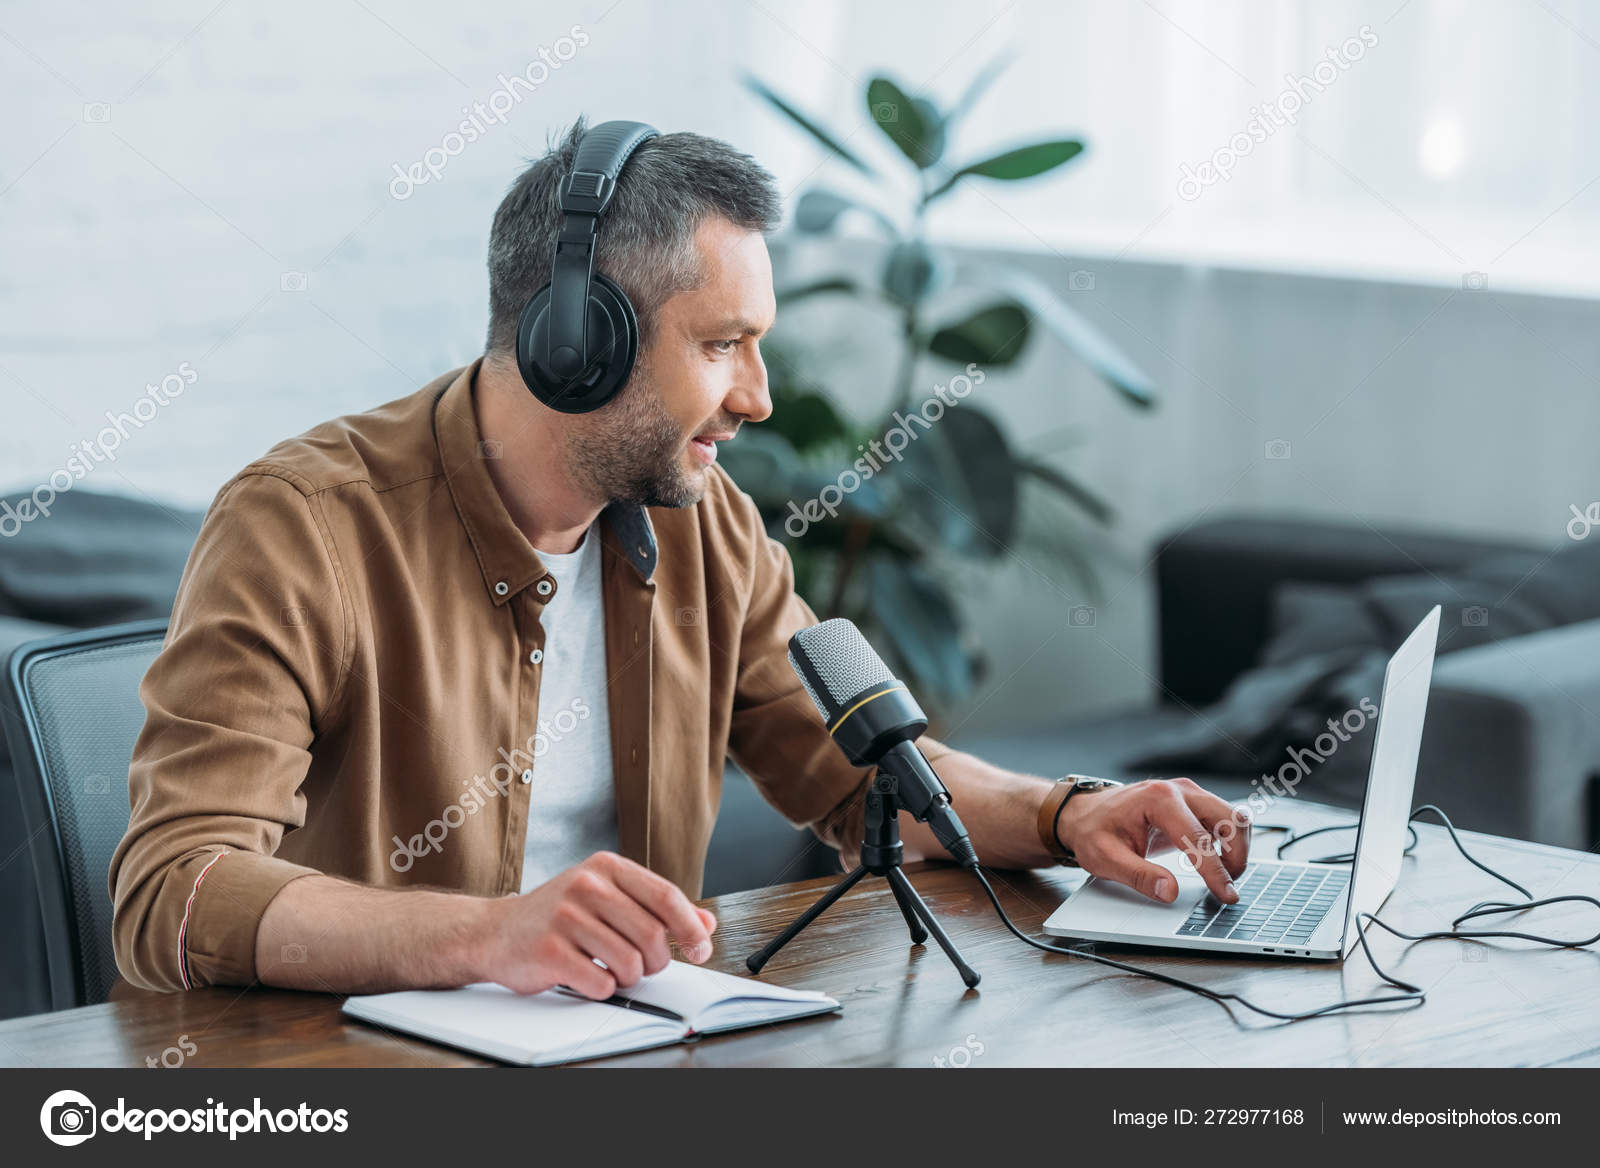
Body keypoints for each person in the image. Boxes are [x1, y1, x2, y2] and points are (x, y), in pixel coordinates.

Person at [110, 119, 1247, 998]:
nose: (757, 396)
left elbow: (868, 778)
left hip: (626, 1049)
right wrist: (488, 936)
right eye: (721, 345)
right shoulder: (301, 526)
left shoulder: (707, 525)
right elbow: (172, 894)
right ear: (577, 344)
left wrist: (1065, 814)